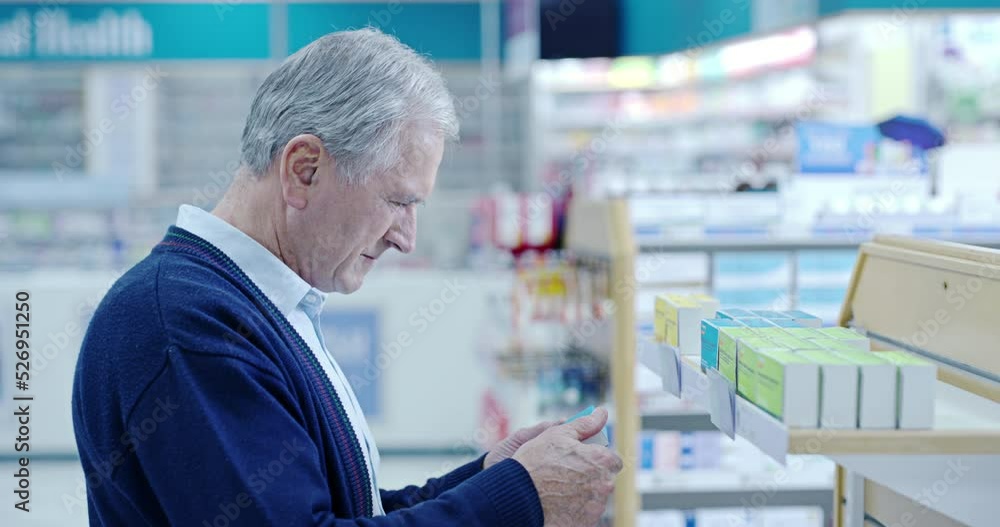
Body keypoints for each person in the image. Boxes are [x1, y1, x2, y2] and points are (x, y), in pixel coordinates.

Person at [72, 28, 622, 527]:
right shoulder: (190, 327)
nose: (406, 237)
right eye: (398, 201)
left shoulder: (251, 303)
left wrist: (490, 478)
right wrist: (518, 497)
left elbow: (339, 507)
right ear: (303, 170)